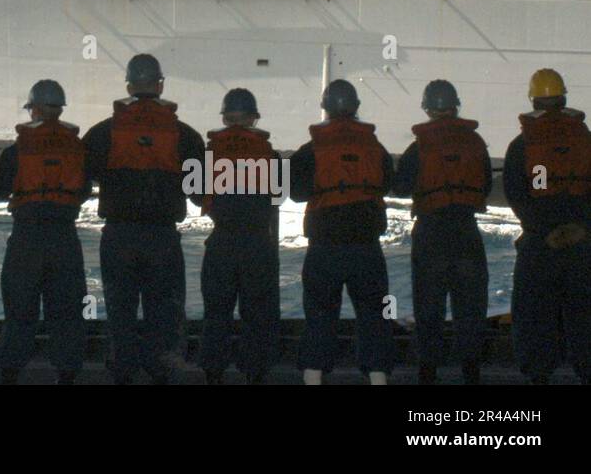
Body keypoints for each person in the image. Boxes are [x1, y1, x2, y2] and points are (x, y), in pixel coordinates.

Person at [83, 54, 203, 384]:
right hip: (163, 238)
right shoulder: (186, 135)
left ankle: (121, 371)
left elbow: (80, 179)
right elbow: (198, 190)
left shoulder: (103, 132)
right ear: (160, 85)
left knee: (120, 312)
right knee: (163, 314)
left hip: (118, 236)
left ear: (128, 86)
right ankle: (161, 370)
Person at [289, 78, 395, 385]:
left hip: (324, 248)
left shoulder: (310, 149)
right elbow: (387, 183)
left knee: (319, 317)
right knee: (375, 316)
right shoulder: (375, 146)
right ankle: (378, 379)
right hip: (367, 248)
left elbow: (295, 192)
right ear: (356, 108)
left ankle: (313, 378)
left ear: (325, 109)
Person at [391, 79, 491, 385]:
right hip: (466, 232)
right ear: (455, 106)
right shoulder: (475, 142)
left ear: (427, 109)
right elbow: (485, 185)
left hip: (431, 232)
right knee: (470, 310)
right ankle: (471, 375)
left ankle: (428, 374)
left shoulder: (419, 145)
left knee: (428, 309)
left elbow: (400, 186)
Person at [0, 79, 91, 385]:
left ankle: (10, 375)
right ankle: (66, 377)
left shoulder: (17, 148)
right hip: (64, 239)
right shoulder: (77, 147)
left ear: (34, 110)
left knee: (19, 313)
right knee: (67, 316)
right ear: (60, 110)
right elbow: (85, 188)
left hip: (26, 239)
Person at [503, 68, 591, 384]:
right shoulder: (585, 138)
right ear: (563, 97)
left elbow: (516, 194)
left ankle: (538, 374)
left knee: (533, 314)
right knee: (583, 315)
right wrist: (582, 228)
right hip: (582, 243)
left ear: (534, 98)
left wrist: (543, 231)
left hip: (541, 245)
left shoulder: (522, 144)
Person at [193, 88, 281, 385]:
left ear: (225, 118)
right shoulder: (270, 154)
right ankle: (255, 375)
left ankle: (213, 374)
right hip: (258, 244)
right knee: (257, 316)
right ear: (254, 118)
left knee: (216, 314)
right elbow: (277, 198)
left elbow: (195, 196)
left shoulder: (209, 153)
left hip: (221, 244)